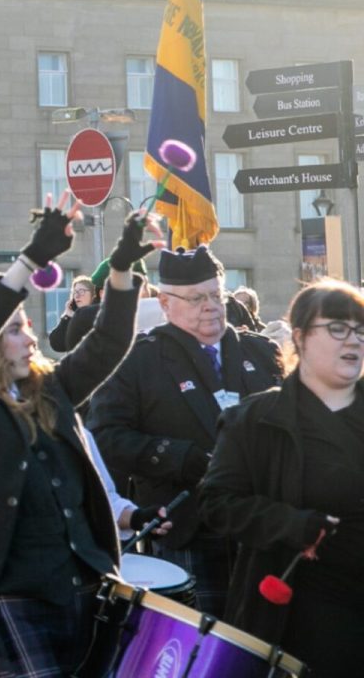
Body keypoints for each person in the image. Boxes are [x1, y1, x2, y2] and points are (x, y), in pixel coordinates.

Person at [0, 198, 153, 676]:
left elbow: (106, 346)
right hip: (10, 586)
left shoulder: (51, 387)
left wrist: (121, 272)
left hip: (84, 579)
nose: (30, 339)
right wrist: (30, 260)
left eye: (27, 328)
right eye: (15, 331)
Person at [91, 242, 283, 616]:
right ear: (165, 303)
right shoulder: (138, 361)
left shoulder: (261, 353)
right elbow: (105, 437)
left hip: (262, 527)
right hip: (189, 527)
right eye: (195, 298)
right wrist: (183, 458)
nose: (210, 305)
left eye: (215, 294)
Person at [201, 279, 364, 678]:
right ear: (300, 337)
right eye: (338, 328)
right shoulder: (254, 421)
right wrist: (293, 525)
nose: (354, 340)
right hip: (305, 617)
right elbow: (217, 505)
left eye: (361, 330)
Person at [48, 275, 100, 354]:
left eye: (81, 291)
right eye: (75, 292)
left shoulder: (100, 315)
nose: (77, 295)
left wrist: (76, 318)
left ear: (93, 294)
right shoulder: (72, 315)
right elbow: (57, 344)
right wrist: (66, 316)